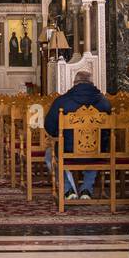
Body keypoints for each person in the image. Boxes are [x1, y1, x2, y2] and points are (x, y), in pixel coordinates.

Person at [43, 70, 111, 199]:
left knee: (49, 155)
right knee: (96, 147)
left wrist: (59, 135)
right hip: (96, 151)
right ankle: (86, 190)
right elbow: (108, 131)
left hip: (67, 151)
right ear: (92, 83)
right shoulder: (104, 102)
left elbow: (49, 127)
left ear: (75, 83)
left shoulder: (62, 101)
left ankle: (68, 190)